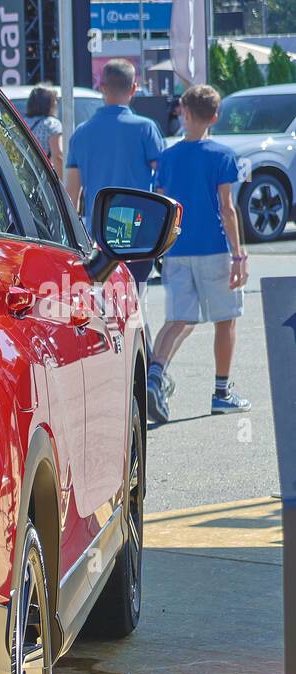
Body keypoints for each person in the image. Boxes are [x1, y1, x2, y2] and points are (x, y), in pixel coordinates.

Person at [146, 83, 250, 422]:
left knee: (177, 319)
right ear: (215, 117)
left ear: (184, 112)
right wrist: (239, 255)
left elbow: (160, 204)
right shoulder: (223, 156)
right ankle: (222, 392)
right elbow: (227, 207)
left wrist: (159, 249)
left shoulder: (167, 156)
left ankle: (155, 375)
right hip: (214, 249)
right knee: (225, 319)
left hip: (176, 249)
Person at [66, 59, 164, 286]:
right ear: (134, 88)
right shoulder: (145, 128)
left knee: (104, 302)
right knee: (136, 300)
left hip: (98, 234)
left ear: (101, 87)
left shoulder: (81, 134)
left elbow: (72, 193)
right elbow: (163, 177)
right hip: (139, 233)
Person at [24, 86, 64, 179]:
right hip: (43, 179)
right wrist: (62, 183)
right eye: (55, 101)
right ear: (49, 105)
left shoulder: (22, 122)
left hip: (24, 178)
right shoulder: (52, 124)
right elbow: (58, 157)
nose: (56, 104)